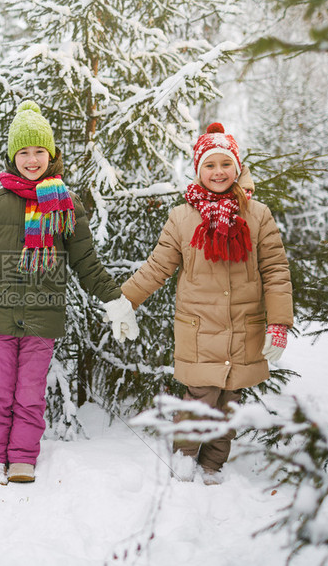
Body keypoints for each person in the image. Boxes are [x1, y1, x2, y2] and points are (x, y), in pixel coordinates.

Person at [0, 100, 138, 485]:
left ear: (52, 153)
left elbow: (86, 262)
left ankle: (23, 457)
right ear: (12, 156)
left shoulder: (66, 205)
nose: (32, 158)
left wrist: (114, 299)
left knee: (29, 393)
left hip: (43, 317)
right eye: (23, 151)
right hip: (1, 315)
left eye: (39, 150)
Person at [119, 123, 293, 484]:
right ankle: (185, 457)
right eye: (209, 166)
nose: (218, 172)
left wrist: (278, 323)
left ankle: (213, 463)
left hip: (243, 327)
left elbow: (276, 270)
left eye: (225, 164)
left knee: (229, 401)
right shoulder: (183, 218)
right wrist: (125, 301)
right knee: (200, 399)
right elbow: (157, 267)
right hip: (198, 330)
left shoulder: (257, 215)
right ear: (199, 171)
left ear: (237, 168)